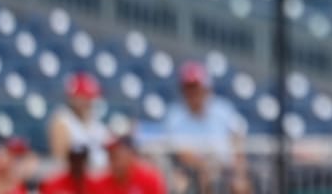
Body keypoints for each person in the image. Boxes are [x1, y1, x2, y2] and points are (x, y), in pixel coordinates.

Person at [155, 62, 249, 194]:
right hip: (190, 170)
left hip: (226, 168)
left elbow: (238, 140)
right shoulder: (174, 116)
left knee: (240, 183)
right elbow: (180, 152)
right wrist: (205, 165)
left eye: (196, 87)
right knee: (191, 180)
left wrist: (239, 172)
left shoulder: (223, 110)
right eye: (189, 88)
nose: (193, 93)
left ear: (206, 88)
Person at [48, 72, 110, 172]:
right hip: (77, 176)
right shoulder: (63, 120)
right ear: (74, 98)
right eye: (85, 97)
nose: (89, 101)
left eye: (90, 97)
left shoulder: (94, 120)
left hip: (99, 175)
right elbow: (61, 160)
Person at [96, 135, 166, 194]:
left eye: (116, 157)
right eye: (110, 156)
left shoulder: (149, 179)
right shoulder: (100, 182)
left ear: (130, 155)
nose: (113, 162)